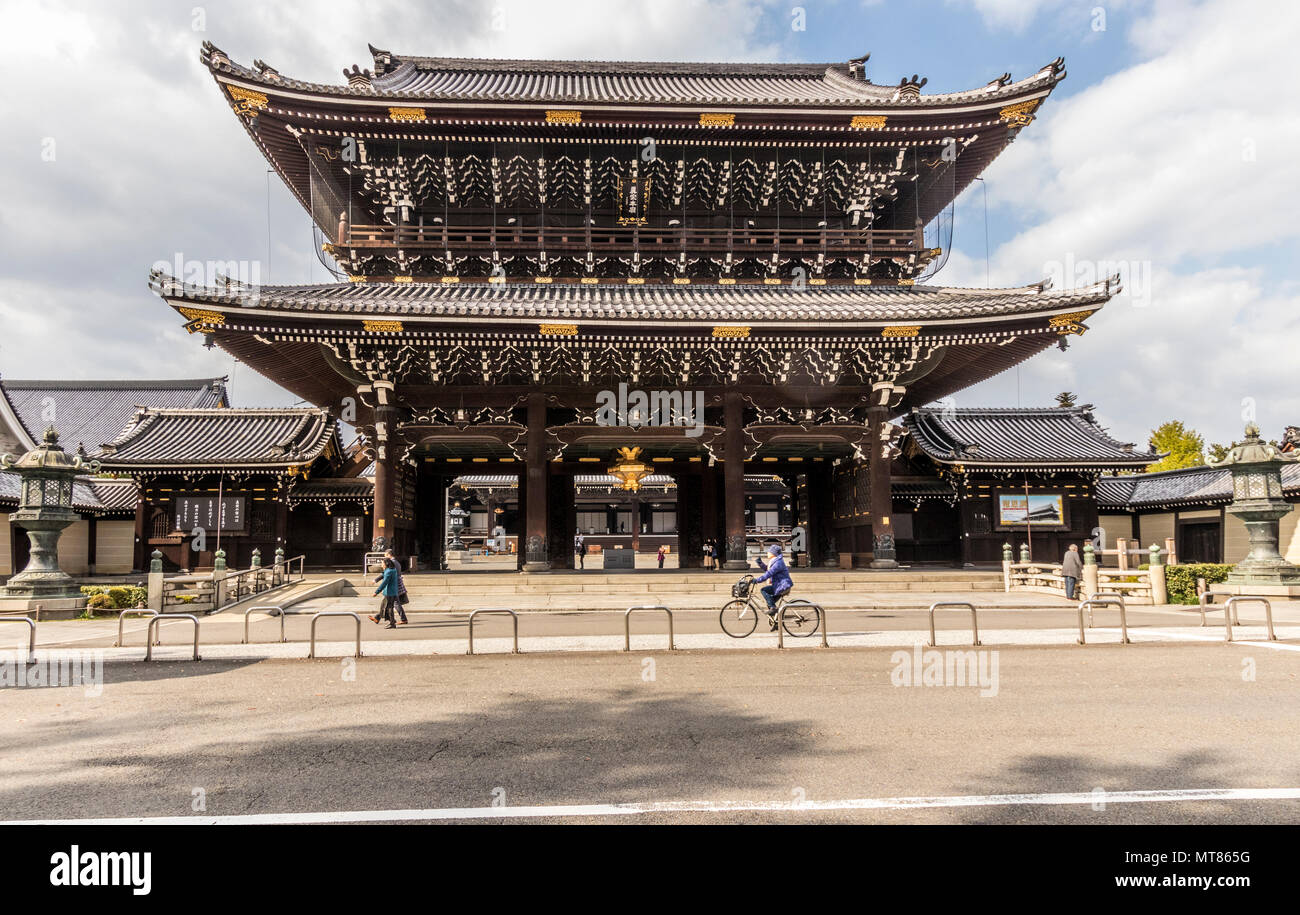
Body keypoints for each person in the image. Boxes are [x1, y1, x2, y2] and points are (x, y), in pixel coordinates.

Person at [753, 544, 793, 631]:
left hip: (783, 586)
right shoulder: (775, 561)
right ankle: (776, 622)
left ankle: (774, 609)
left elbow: (769, 573)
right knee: (769, 602)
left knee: (764, 590)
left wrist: (757, 580)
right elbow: (768, 569)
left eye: (769, 551)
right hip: (779, 586)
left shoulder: (778, 563)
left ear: (773, 553)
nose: (767, 553)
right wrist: (760, 563)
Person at [370, 557, 401, 629]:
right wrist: (375, 580)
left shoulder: (389, 571)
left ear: (386, 564)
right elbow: (383, 574)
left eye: (382, 564)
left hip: (390, 592)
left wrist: (376, 592)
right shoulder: (391, 570)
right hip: (391, 592)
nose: (381, 565)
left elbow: (384, 583)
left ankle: (392, 623)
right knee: (384, 606)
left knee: (389, 608)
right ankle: (379, 618)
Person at [383, 549, 409, 624]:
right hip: (396, 584)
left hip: (394, 585)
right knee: (392, 602)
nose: (385, 557)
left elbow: (388, 574)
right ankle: (385, 618)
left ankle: (401, 619)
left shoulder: (392, 562)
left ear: (388, 554)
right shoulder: (396, 562)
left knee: (395, 603)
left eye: (385, 555)